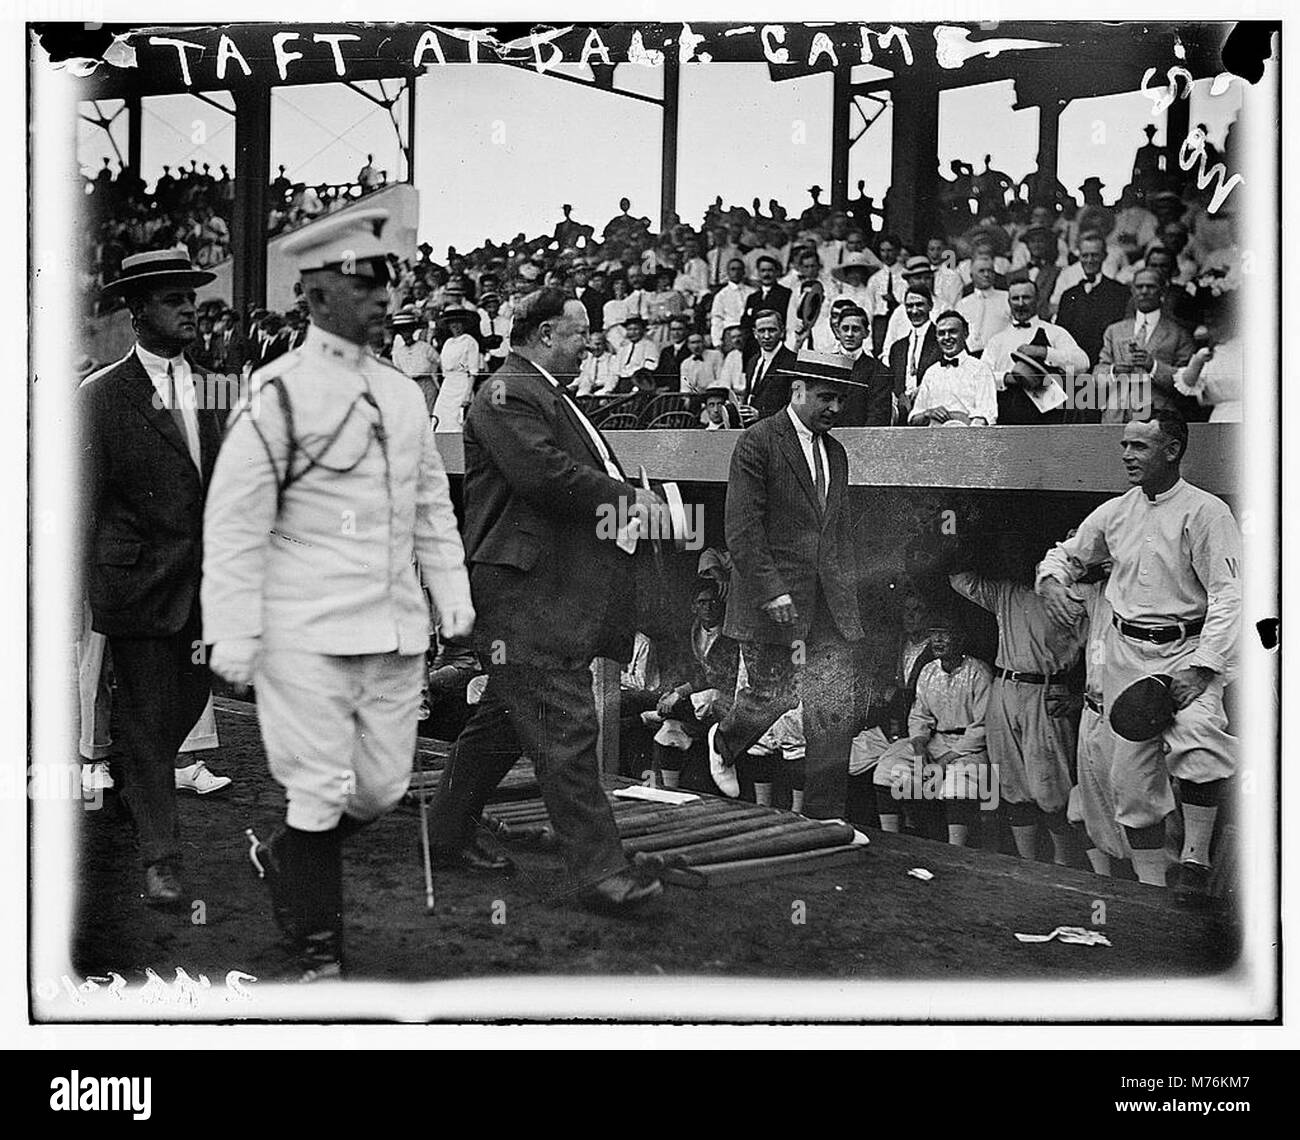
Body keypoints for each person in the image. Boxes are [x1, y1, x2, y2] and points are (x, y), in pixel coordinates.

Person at [203, 209, 474, 980]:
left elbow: (429, 504)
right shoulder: (278, 392)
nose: (383, 298)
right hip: (306, 630)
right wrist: (232, 630)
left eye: (386, 282)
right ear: (316, 295)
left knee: (382, 787)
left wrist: (450, 590)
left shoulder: (398, 392)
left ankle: (286, 850)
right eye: (362, 283)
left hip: (392, 628)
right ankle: (319, 952)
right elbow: (235, 520)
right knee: (320, 787)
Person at [422, 287, 667, 910]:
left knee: (501, 724)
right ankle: (600, 872)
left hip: (540, 593)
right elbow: (543, 475)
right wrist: (629, 501)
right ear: (542, 335)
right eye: (580, 332)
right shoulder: (506, 393)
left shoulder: (541, 395)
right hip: (526, 596)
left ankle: (443, 837)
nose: (592, 343)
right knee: (566, 727)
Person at [78, 247, 232, 906]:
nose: (189, 308)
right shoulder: (102, 395)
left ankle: (125, 771)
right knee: (146, 716)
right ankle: (161, 859)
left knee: (187, 701)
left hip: (205, 588)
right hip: (138, 584)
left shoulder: (220, 386)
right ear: (139, 311)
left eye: (192, 297)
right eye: (174, 298)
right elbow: (82, 498)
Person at [1036, 410, 1241, 903]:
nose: (1127, 455)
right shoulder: (1115, 512)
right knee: (1132, 789)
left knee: (1199, 740)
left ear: (1172, 451)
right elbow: (1066, 554)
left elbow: (1230, 595)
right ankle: (1153, 893)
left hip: (1187, 650)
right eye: (1125, 445)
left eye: (1139, 447)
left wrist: (1202, 666)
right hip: (1127, 655)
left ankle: (1195, 861)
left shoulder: (1207, 512)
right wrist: (1049, 581)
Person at [707, 349, 867, 819]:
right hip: (772, 601)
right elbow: (742, 529)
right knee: (769, 696)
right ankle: (725, 739)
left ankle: (824, 817)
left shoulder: (835, 452)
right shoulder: (758, 441)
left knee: (831, 707)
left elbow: (836, 532)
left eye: (840, 399)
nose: (836, 409)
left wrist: (847, 597)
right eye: (826, 398)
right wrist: (771, 589)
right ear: (797, 390)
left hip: (829, 605)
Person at [949, 535, 1088, 865]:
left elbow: (1098, 649)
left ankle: (1063, 866)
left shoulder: (1070, 597)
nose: (1012, 561)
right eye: (1006, 554)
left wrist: (1079, 695)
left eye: (1019, 553)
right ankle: (1026, 864)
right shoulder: (1005, 592)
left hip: (1047, 691)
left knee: (1052, 792)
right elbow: (959, 580)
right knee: (1012, 786)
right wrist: (959, 535)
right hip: (1005, 688)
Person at [873, 614, 993, 847]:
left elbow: (982, 727)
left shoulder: (978, 673)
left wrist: (945, 760)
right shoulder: (929, 671)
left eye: (944, 634)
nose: (937, 639)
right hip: (934, 742)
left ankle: (954, 850)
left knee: (959, 782)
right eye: (934, 633)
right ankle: (891, 840)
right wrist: (919, 747)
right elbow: (920, 715)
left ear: (959, 638)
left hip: (967, 748)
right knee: (888, 766)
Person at [1094, 268, 1197, 424]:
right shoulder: (1114, 331)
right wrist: (1113, 371)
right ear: (1132, 290)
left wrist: (1154, 366)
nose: (1144, 291)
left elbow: (1187, 383)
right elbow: (1098, 373)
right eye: (1139, 286)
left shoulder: (1179, 334)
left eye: (1151, 286)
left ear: (1162, 291)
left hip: (1158, 419)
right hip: (1116, 417)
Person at [981, 280, 1089, 425]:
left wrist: (1044, 352)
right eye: (1015, 298)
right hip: (1008, 413)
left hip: (1048, 415)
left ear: (1037, 300)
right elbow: (981, 376)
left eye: (1026, 297)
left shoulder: (1055, 332)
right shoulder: (997, 340)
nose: (1020, 303)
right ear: (1009, 301)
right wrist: (1007, 378)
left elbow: (1083, 363)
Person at [908, 311, 998, 426]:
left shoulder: (981, 369)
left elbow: (986, 416)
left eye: (952, 332)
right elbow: (913, 419)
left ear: (965, 334)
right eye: (941, 333)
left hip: (968, 439)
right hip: (933, 440)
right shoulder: (931, 372)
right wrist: (927, 413)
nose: (947, 337)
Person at [887, 285, 942, 423]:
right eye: (909, 306)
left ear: (930, 306)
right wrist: (901, 396)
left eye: (919, 305)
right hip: (903, 413)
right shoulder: (897, 348)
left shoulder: (942, 341)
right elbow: (894, 381)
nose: (914, 311)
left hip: (933, 410)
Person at [832, 305, 893, 426]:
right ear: (838, 332)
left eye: (855, 329)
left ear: (866, 333)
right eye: (845, 329)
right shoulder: (824, 366)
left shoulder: (880, 371)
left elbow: (878, 417)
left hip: (861, 439)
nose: (850, 334)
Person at [433, 308, 482, 430]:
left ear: (464, 324)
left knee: (457, 421)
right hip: (448, 386)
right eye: (452, 323)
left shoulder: (469, 341)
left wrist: (468, 393)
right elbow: (444, 367)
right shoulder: (448, 342)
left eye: (458, 322)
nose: (455, 326)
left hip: (462, 385)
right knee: (441, 419)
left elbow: (473, 371)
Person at [744, 309, 797, 416]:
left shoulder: (795, 363)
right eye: (761, 331)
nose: (767, 336)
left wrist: (761, 414)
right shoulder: (752, 362)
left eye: (772, 330)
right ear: (755, 333)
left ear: (782, 332)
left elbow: (799, 403)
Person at [956, 253, 1011, 356]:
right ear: (971, 276)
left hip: (1000, 355)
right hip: (970, 357)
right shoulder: (962, 304)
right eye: (982, 271)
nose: (986, 274)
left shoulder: (1007, 298)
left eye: (990, 271)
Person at [389, 306, 439, 417]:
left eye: (407, 329)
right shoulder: (398, 353)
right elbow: (399, 372)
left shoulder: (424, 347)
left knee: (428, 416)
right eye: (402, 330)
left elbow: (439, 363)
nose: (405, 333)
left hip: (426, 383)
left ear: (413, 330)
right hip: (409, 386)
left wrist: (432, 375)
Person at [740, 255, 792, 338]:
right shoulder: (752, 298)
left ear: (776, 272)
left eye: (770, 270)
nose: (766, 274)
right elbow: (745, 323)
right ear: (758, 272)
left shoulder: (786, 294)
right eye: (763, 270)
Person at [709, 257, 754, 349]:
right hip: (730, 333)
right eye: (733, 269)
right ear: (728, 272)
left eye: (739, 269)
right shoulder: (721, 295)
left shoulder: (752, 292)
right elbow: (717, 319)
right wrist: (717, 341)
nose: (736, 272)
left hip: (749, 332)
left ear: (744, 272)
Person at [614, 313, 659, 391]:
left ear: (642, 330)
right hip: (622, 380)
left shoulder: (649, 345)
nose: (632, 332)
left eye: (636, 329)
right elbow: (616, 367)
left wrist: (638, 375)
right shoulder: (624, 347)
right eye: (629, 329)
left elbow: (651, 365)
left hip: (638, 380)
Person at [573, 329, 620, 396]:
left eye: (598, 344)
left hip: (604, 390)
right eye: (593, 345)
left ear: (604, 345)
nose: (595, 348)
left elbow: (612, 379)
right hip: (589, 389)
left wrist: (605, 391)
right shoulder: (589, 359)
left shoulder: (612, 359)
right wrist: (573, 385)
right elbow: (583, 376)